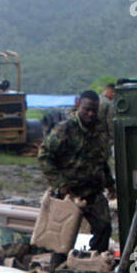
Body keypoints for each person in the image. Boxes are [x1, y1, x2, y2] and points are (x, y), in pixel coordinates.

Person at [37, 89, 113, 252]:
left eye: (94, 110)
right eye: (86, 109)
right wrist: (60, 183)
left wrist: (110, 184)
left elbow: (101, 160)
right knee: (61, 238)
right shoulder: (65, 129)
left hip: (92, 191)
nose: (90, 114)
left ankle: (95, 266)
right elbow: (45, 155)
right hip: (69, 193)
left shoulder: (100, 129)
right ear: (78, 105)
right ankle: (56, 272)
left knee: (104, 228)